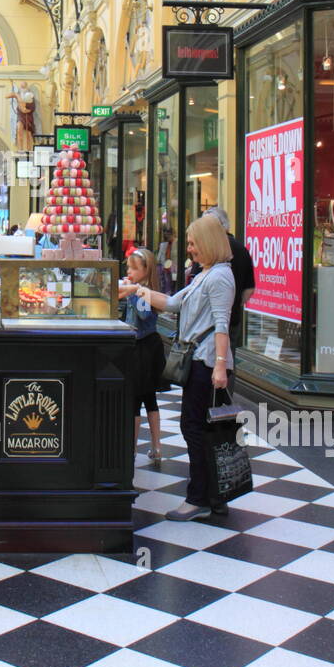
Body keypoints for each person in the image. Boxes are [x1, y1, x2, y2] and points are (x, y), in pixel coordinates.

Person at [133, 213, 235, 521]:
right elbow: (174, 303)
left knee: (196, 428)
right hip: (201, 362)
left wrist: (219, 366)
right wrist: (136, 290)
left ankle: (198, 498)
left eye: (192, 243)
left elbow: (221, 324)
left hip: (206, 363)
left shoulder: (218, 277)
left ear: (207, 242)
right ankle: (211, 496)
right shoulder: (206, 273)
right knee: (200, 428)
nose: (189, 248)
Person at [119, 248, 166, 463]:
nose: (129, 271)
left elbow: (144, 314)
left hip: (144, 348)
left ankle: (132, 448)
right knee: (149, 399)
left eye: (133, 268)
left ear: (146, 271)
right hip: (147, 346)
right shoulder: (144, 289)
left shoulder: (143, 291)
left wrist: (131, 293)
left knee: (137, 399)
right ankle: (155, 447)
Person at [188, 207, 255, 344]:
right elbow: (249, 289)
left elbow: (192, 285)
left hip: (205, 323)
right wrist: (233, 303)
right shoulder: (242, 249)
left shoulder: (207, 250)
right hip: (232, 319)